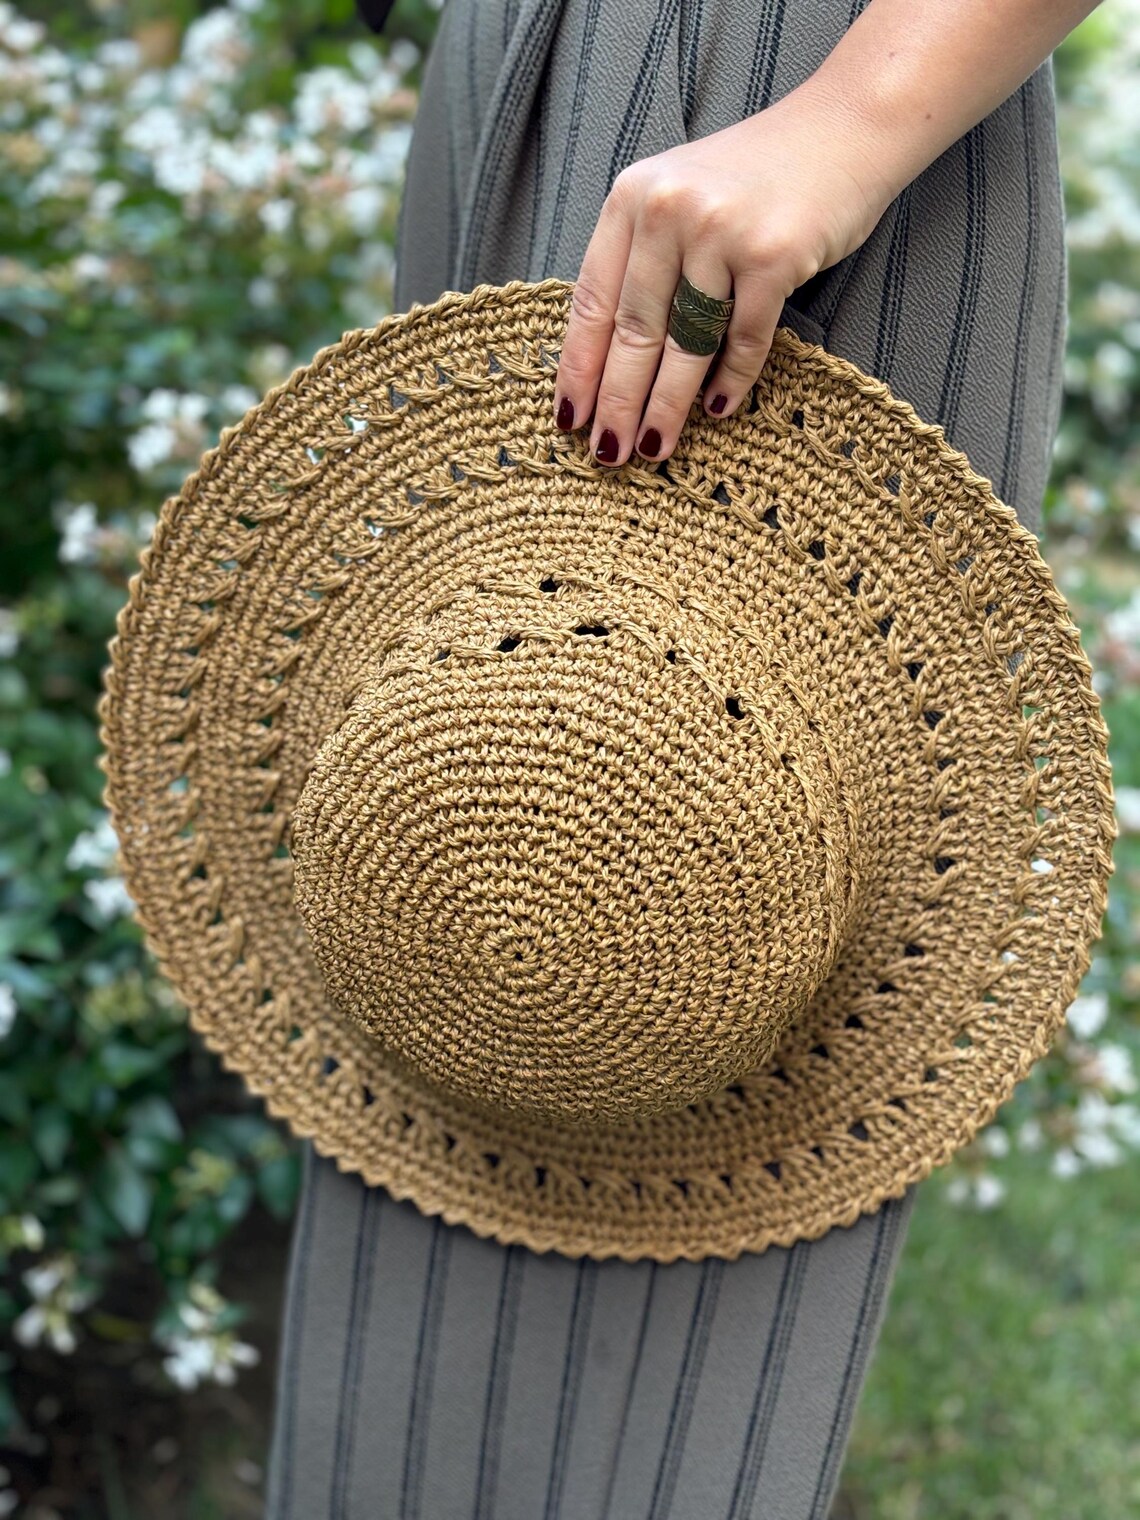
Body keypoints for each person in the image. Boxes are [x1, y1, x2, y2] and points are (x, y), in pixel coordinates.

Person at [263, 1, 1099, 1514]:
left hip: (803, 79)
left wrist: (846, 124)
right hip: (524, 71)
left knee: (714, 951)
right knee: (462, 894)